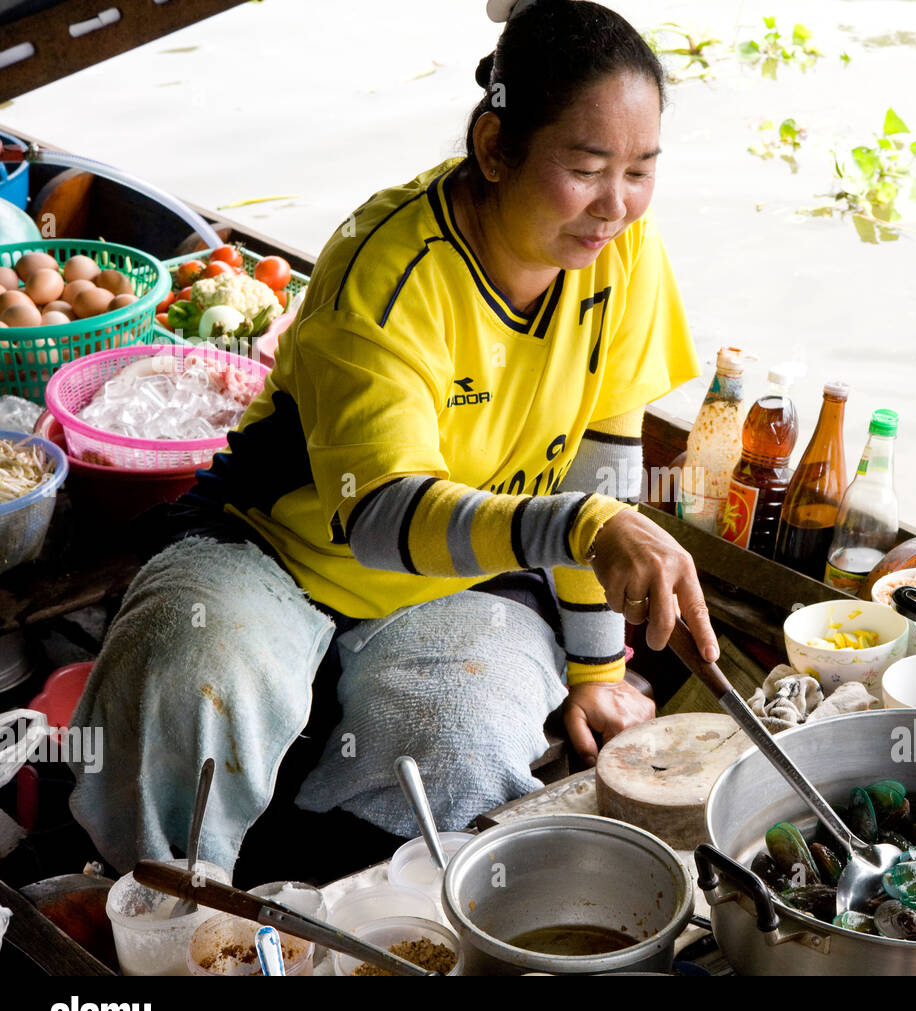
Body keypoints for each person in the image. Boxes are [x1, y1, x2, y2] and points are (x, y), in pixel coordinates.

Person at [67, 0, 718, 879]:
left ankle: (363, 912)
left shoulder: (626, 258)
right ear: (495, 149)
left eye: (641, 170)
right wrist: (577, 527)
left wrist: (599, 667)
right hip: (279, 548)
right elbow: (381, 517)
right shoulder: (385, 269)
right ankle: (153, 911)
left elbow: (600, 471)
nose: (617, 207)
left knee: (462, 731)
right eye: (586, 167)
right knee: (183, 664)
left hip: (470, 574)